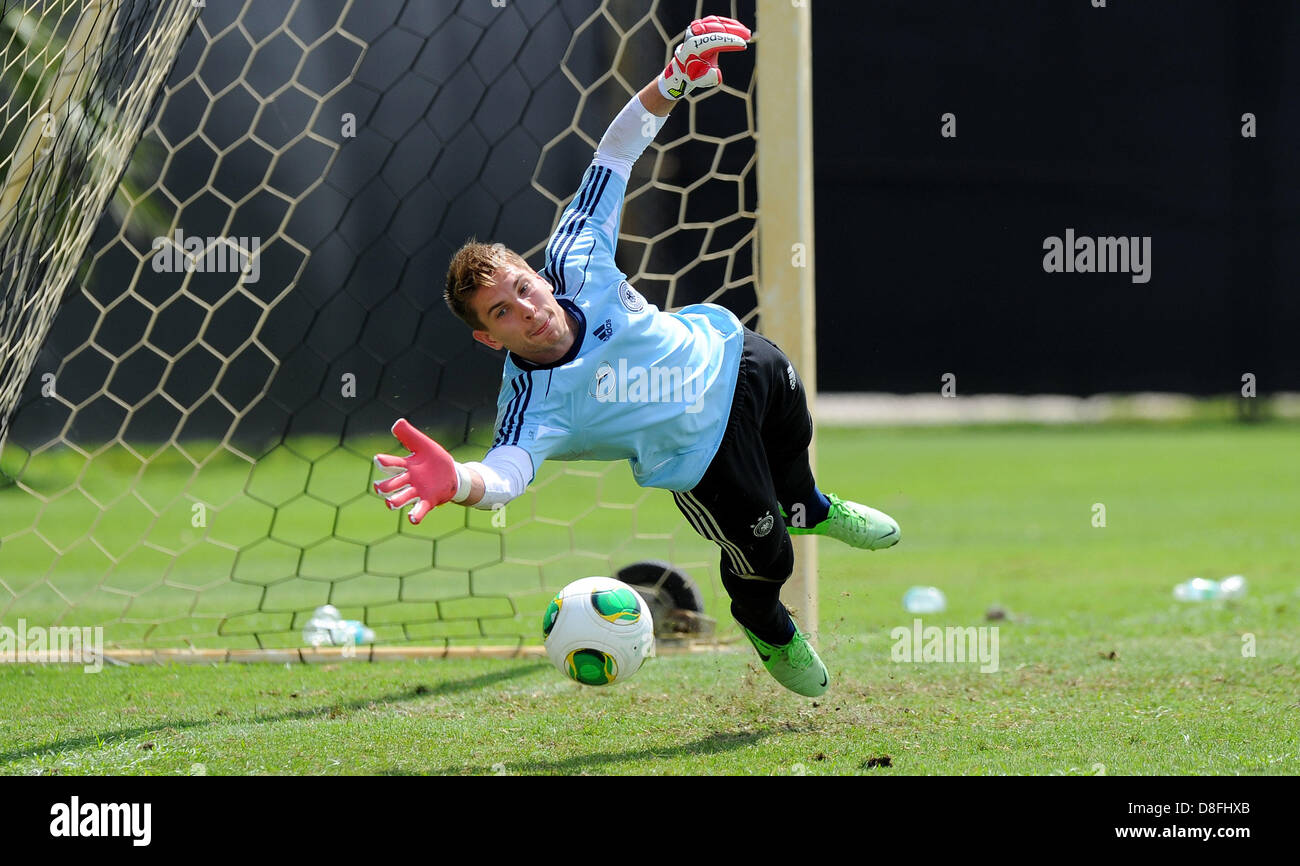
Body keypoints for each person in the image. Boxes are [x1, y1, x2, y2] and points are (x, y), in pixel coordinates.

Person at [373, 16, 899, 697]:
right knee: (768, 556)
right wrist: (463, 483)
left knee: (795, 454)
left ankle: (816, 505)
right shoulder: (532, 404)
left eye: (523, 288)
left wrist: (672, 79)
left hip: (734, 356)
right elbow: (507, 473)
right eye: (502, 312)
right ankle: (765, 621)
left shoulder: (576, 254)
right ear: (488, 338)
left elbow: (614, 153)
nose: (528, 309)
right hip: (700, 459)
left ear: (535, 271)